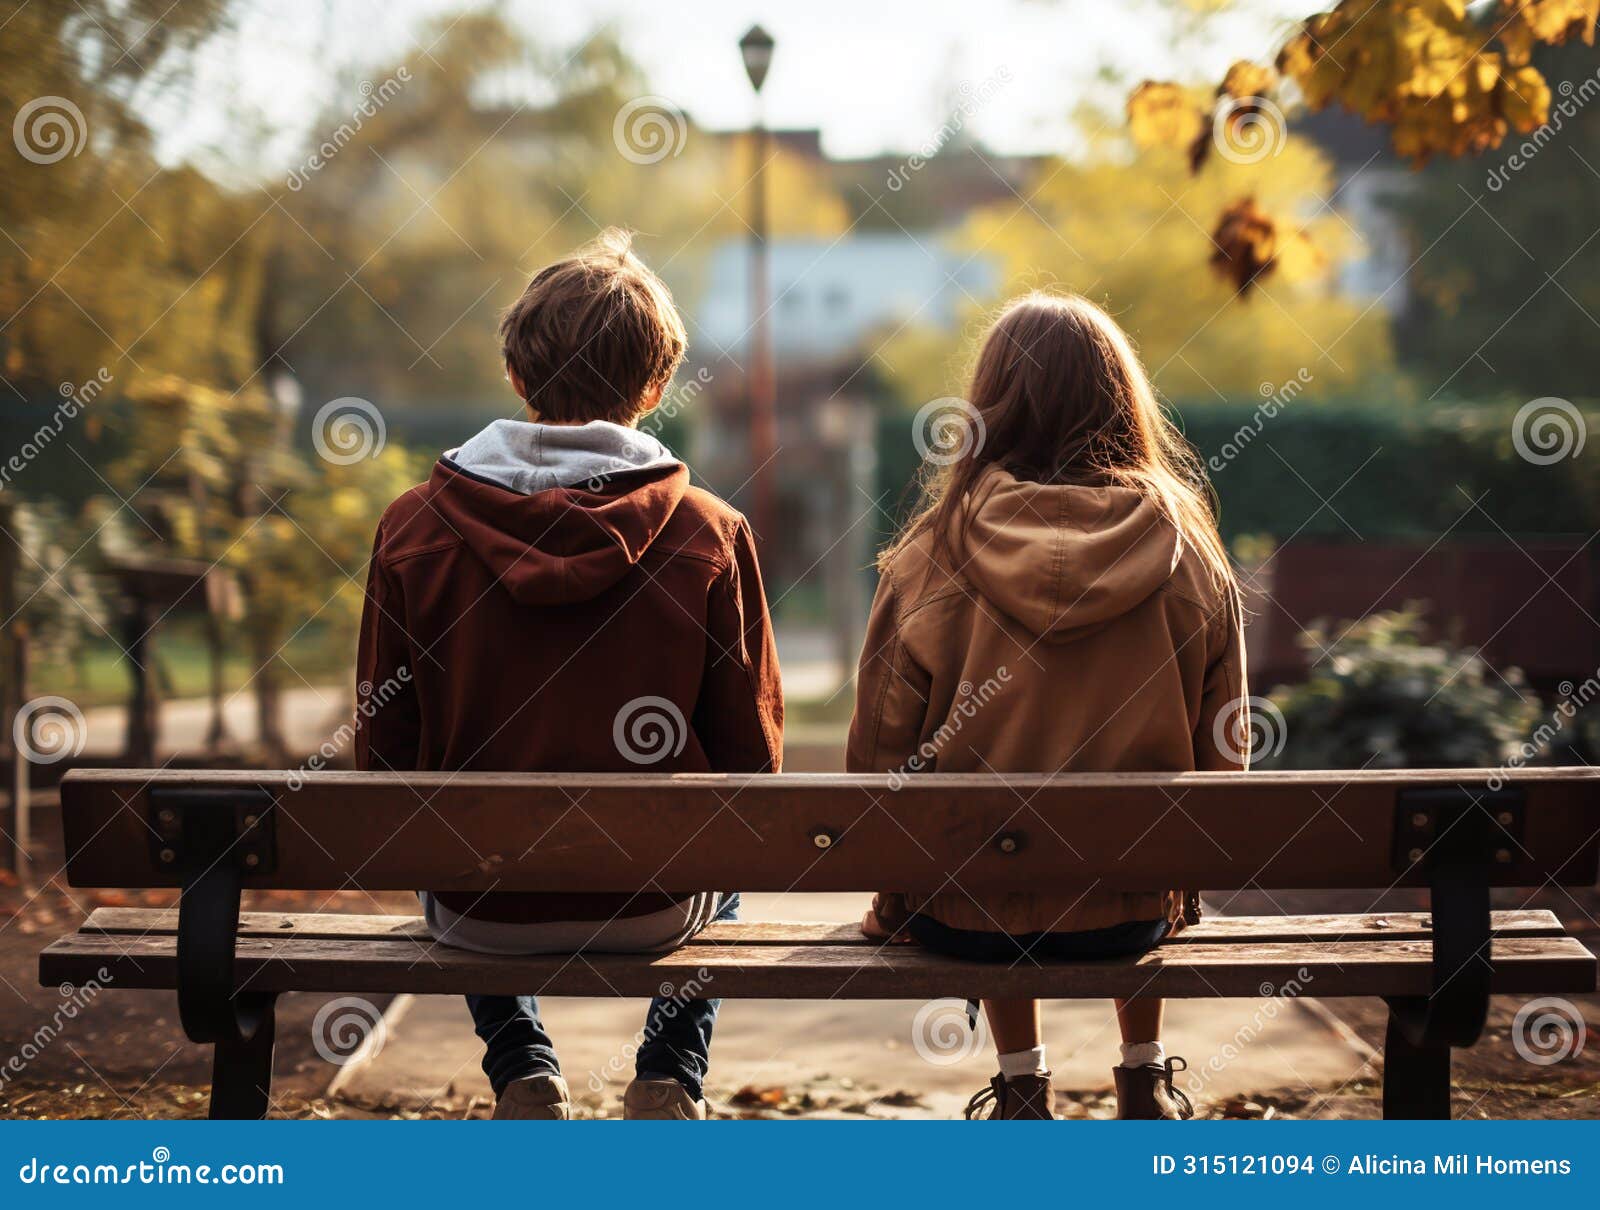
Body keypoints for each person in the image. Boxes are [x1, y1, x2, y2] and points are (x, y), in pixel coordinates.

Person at [354, 228, 782, 1120]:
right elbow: (754, 764)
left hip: (478, 903)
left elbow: (383, 758)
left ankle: (519, 1065)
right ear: (657, 386)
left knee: (448, 830)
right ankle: (670, 1068)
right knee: (726, 866)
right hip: (657, 902)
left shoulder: (413, 527)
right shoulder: (709, 533)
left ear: (517, 375)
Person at [848, 291, 1247, 1120]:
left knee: (997, 842)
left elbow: (879, 760)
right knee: (1135, 839)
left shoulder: (932, 553)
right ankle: (1143, 1073)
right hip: (1134, 915)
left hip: (969, 916)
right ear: (1124, 403)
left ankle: (1021, 1082)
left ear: (989, 407)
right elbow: (1226, 754)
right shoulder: (1188, 551)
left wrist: (895, 899)